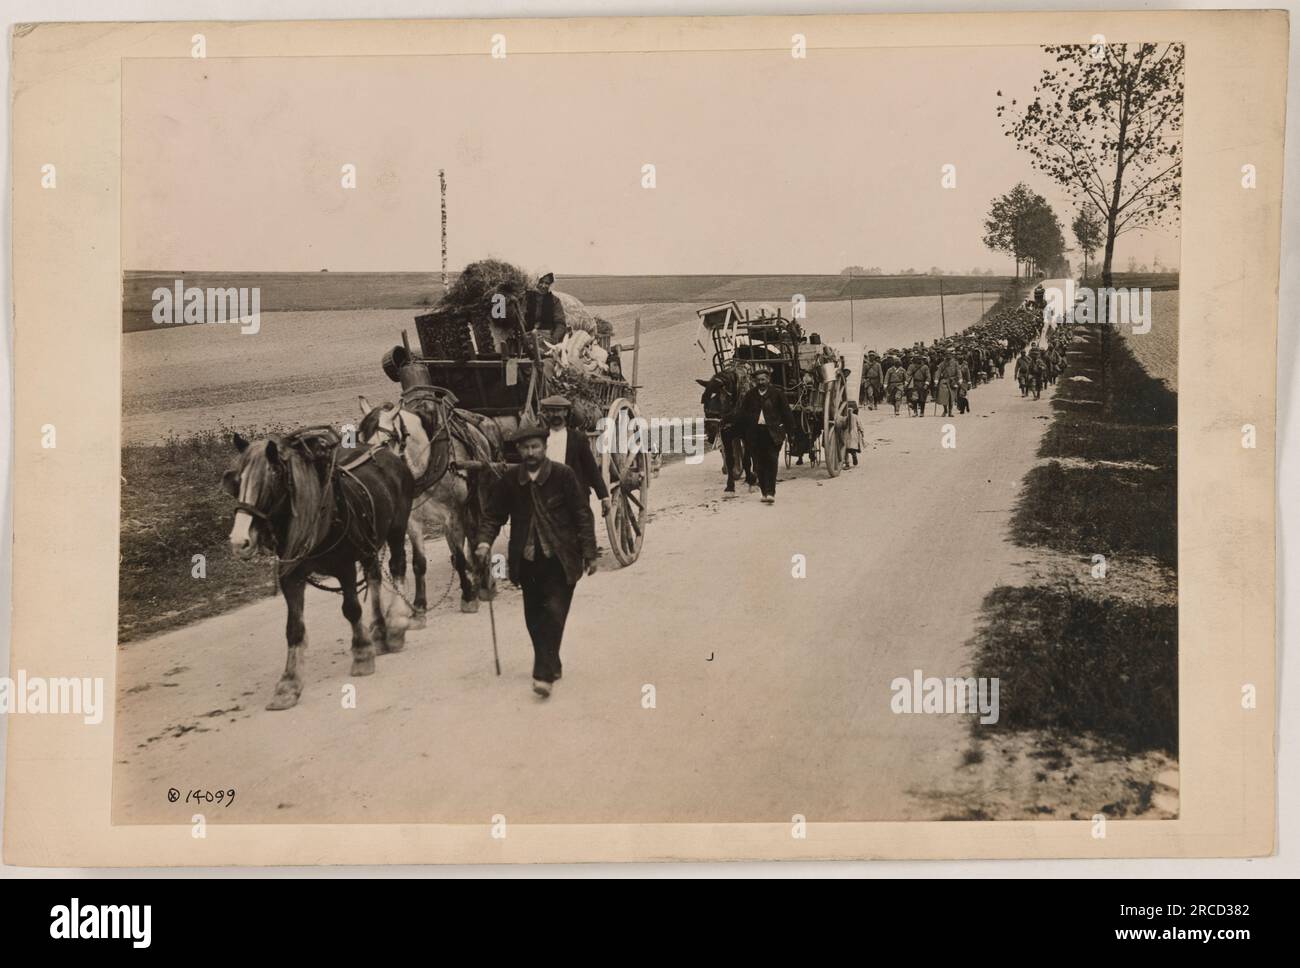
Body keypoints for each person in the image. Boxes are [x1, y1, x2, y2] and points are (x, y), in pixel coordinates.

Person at [474, 421, 597, 699]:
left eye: (535, 447)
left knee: (554, 612)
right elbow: (493, 515)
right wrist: (484, 542)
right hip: (527, 561)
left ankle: (542, 673)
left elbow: (581, 514)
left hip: (562, 557)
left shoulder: (563, 476)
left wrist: (589, 552)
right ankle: (551, 661)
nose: (531, 452)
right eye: (525, 448)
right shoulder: (509, 481)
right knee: (534, 618)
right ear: (518, 450)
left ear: (544, 448)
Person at [540, 394, 610, 551]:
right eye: (551, 411)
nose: (555, 415)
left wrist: (604, 496)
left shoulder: (578, 438)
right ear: (546, 414)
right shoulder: (540, 439)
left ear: (566, 413)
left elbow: (591, 468)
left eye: (559, 411)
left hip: (575, 491)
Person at [736, 364, 795, 504]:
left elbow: (787, 414)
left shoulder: (777, 394)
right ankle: (763, 491)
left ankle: (771, 492)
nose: (761, 382)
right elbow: (743, 415)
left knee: (772, 462)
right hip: (755, 434)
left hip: (773, 433)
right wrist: (740, 431)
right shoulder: (750, 395)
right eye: (758, 380)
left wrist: (791, 432)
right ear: (755, 381)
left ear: (768, 379)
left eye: (763, 379)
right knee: (759, 464)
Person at [525, 270, 568, 344]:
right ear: (536, 282)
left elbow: (560, 323)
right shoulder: (526, 298)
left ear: (550, 285)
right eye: (541, 282)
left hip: (546, 337)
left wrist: (554, 338)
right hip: (526, 336)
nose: (543, 286)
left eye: (547, 283)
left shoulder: (555, 301)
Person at [934, 349, 961, 418]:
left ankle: (950, 412)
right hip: (944, 381)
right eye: (946, 354)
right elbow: (938, 372)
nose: (948, 356)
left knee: (951, 397)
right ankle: (945, 410)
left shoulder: (955, 363)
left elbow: (958, 371)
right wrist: (936, 380)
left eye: (949, 354)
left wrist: (960, 379)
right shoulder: (942, 363)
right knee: (944, 396)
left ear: (951, 355)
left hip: (953, 381)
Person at [909, 352, 931, 417]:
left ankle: (922, 412)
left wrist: (926, 384)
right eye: (916, 359)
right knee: (914, 398)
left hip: (922, 384)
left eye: (919, 359)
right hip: (915, 384)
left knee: (922, 399)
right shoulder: (912, 366)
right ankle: (915, 412)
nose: (917, 360)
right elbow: (908, 374)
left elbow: (928, 376)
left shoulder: (925, 367)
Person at [844, 401, 864, 467]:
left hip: (846, 435)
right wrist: (862, 432)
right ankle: (854, 456)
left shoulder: (845, 417)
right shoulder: (855, 416)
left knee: (845, 450)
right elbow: (859, 425)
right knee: (853, 449)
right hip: (853, 435)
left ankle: (847, 463)